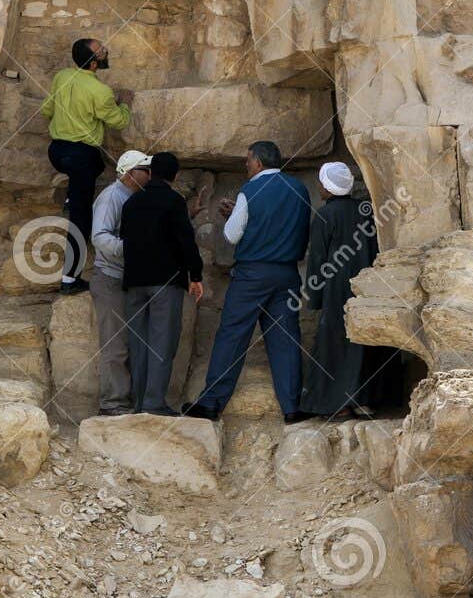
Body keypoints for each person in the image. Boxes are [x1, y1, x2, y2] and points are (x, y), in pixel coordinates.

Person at [183, 140, 311, 424]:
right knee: (286, 339)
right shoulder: (299, 188)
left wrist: (231, 217)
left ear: (259, 163)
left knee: (232, 334)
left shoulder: (250, 190)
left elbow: (232, 235)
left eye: (247, 160)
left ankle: (212, 403)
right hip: (287, 273)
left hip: (252, 273)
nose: (245, 165)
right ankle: (292, 407)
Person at [42, 38, 133, 294]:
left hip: (57, 151)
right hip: (80, 156)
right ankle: (70, 279)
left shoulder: (62, 77)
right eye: (101, 49)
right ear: (94, 62)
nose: (105, 50)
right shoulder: (100, 92)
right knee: (81, 221)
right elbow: (118, 121)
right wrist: (124, 102)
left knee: (94, 164)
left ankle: (73, 195)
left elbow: (47, 109)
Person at [120, 152, 204, 416]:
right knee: (162, 343)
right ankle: (154, 402)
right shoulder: (173, 201)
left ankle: (138, 402)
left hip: (134, 283)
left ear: (151, 172)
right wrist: (196, 275)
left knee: (138, 344)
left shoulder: (132, 203)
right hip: (165, 283)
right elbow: (185, 241)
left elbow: (127, 239)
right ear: (175, 175)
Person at [298, 161, 379, 419]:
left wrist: (315, 298)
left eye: (321, 183)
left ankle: (337, 403)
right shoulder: (366, 210)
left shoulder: (324, 215)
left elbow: (318, 259)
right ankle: (363, 400)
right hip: (367, 285)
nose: (319, 187)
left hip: (336, 288)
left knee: (334, 344)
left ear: (328, 187)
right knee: (364, 343)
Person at [88, 149, 152, 415]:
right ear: (128, 174)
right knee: (115, 345)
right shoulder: (112, 197)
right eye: (144, 170)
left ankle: (131, 402)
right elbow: (100, 237)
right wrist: (133, 249)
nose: (149, 175)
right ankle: (113, 404)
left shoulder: (135, 197)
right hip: (111, 278)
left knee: (133, 343)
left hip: (129, 279)